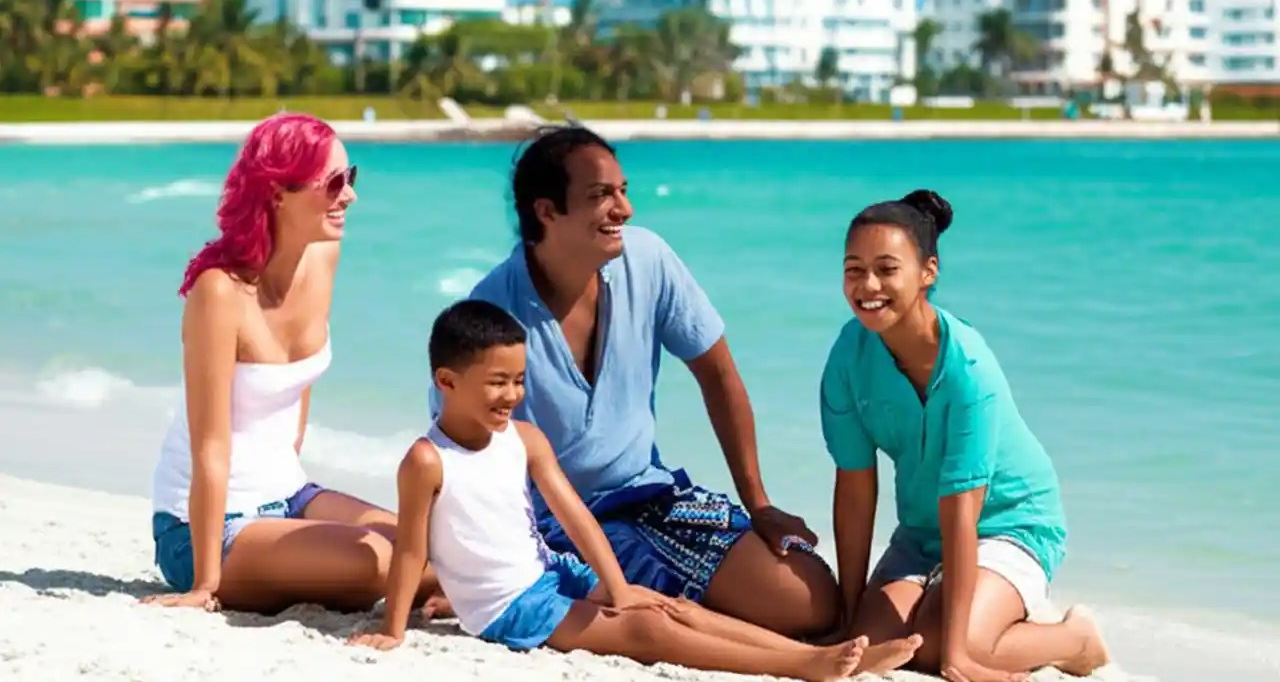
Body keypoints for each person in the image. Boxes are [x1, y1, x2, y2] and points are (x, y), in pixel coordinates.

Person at [445, 125, 865, 644]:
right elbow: (458, 448)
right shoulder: (491, 313)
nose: (624, 209)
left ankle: (681, 599)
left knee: (811, 597)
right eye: (601, 195)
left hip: (651, 496)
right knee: (663, 610)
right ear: (547, 212)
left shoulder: (648, 260)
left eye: (623, 190)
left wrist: (758, 503)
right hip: (550, 524)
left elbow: (718, 374)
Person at [349, 300, 873, 682]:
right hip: (507, 607)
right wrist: (393, 629)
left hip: (549, 572)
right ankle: (803, 665)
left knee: (664, 606)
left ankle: (816, 651)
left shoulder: (524, 440)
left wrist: (616, 585)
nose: (513, 395)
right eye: (497, 382)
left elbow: (576, 517)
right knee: (645, 633)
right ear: (446, 380)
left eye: (519, 379)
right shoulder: (427, 460)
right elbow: (413, 549)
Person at [142, 113, 444, 615]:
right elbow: (211, 449)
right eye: (332, 183)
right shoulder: (219, 293)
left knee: (426, 543)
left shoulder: (323, 256)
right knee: (377, 561)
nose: (348, 196)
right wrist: (204, 585)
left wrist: (295, 493)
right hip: (206, 530)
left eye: (351, 178)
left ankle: (491, 585)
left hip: (289, 493)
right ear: (277, 192)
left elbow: (300, 380)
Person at [819, 190, 1111, 682]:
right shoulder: (849, 355)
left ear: (927, 272)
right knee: (876, 648)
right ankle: (943, 623)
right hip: (920, 536)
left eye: (888, 269)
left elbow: (962, 505)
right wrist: (849, 620)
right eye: (854, 269)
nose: (868, 285)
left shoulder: (968, 367)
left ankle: (1076, 640)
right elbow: (854, 488)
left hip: (1009, 524)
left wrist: (959, 656)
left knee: (938, 648)